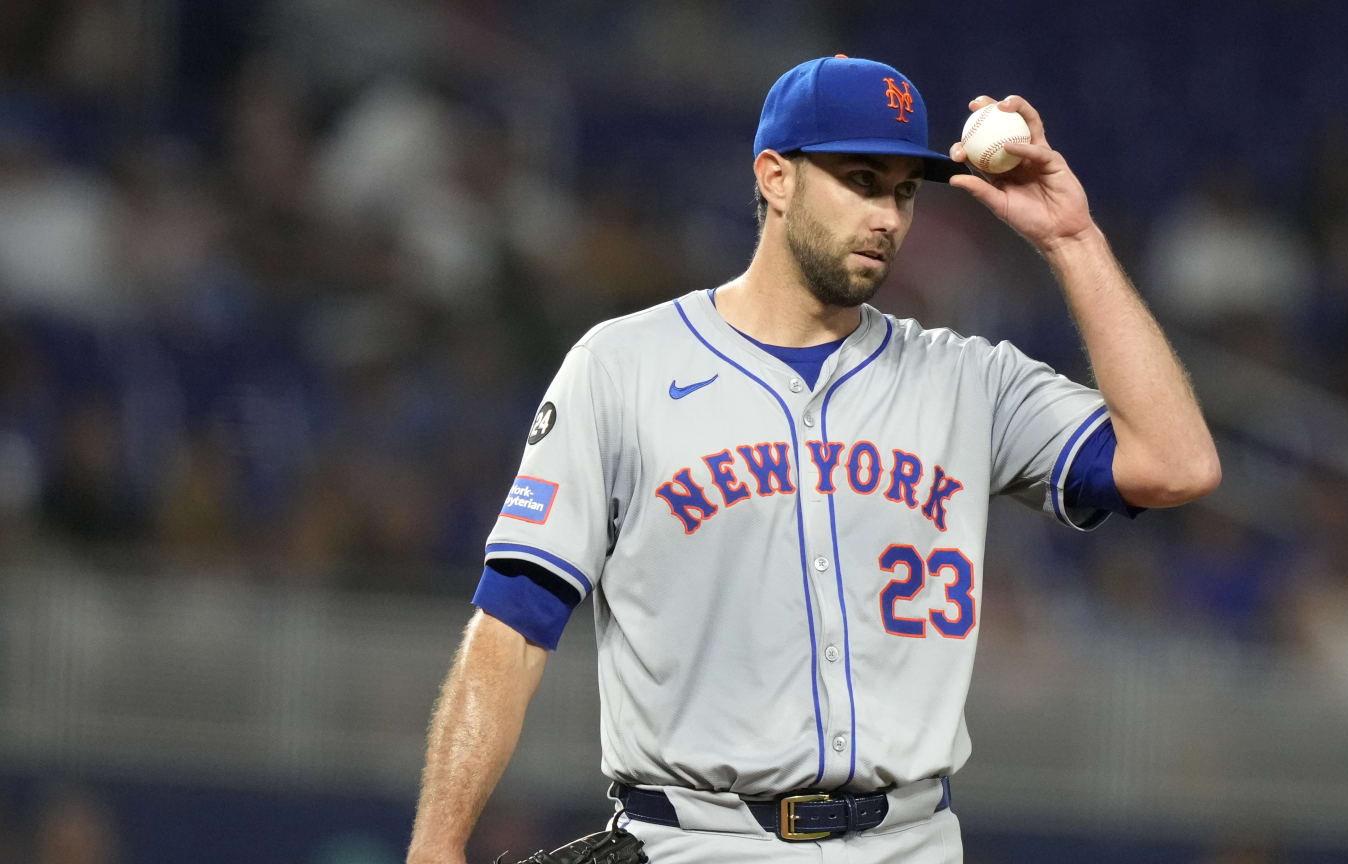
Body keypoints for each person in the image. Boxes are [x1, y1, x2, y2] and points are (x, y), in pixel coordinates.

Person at [406, 55, 1220, 864]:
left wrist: (1073, 241)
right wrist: (437, 848)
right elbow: (512, 624)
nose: (891, 217)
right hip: (701, 841)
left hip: (914, 841)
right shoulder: (623, 367)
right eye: (862, 180)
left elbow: (1176, 464)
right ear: (776, 178)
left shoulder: (968, 379)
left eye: (905, 191)